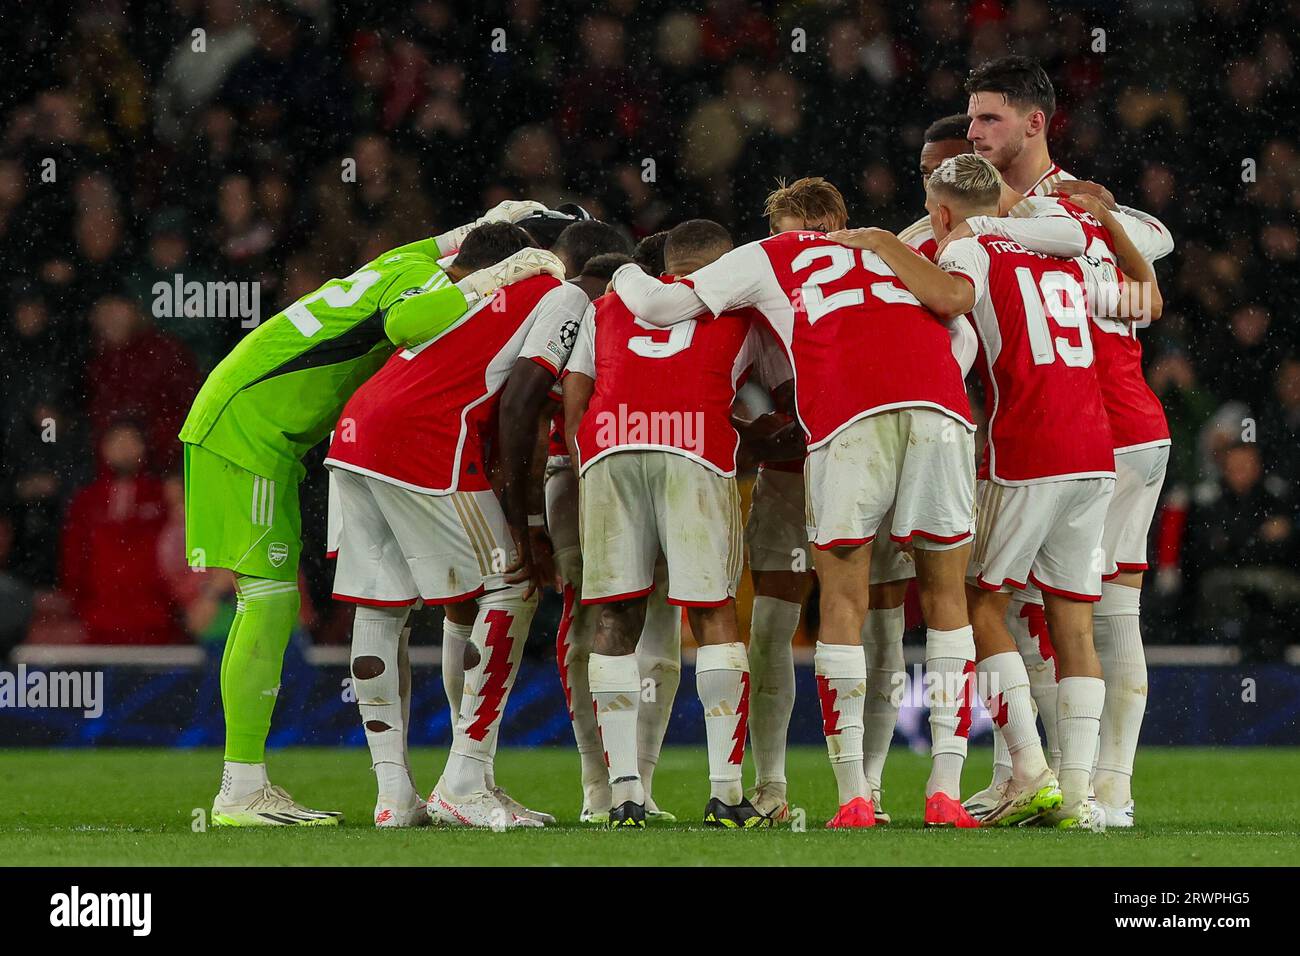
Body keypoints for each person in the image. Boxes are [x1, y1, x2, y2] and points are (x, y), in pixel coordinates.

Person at [610, 179, 980, 829]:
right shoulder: (890, 250)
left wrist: (618, 269)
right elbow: (960, 329)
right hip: (930, 413)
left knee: (849, 607)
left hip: (840, 429)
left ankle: (856, 795)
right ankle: (936, 785)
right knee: (939, 602)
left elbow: (666, 313)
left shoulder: (764, 256)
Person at [179, 199, 561, 827]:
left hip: (252, 423)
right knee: (269, 600)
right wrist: (504, 273)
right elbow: (412, 323)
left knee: (276, 599)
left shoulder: (400, 260)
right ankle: (240, 789)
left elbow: (448, 244)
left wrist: (494, 223)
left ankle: (253, 785)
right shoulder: (421, 280)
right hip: (249, 432)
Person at [843, 153, 1150, 828]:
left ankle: (1030, 765)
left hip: (1031, 444)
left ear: (943, 211)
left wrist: (883, 242)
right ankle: (1079, 797)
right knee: (1073, 620)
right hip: (1095, 446)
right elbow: (1133, 294)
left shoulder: (972, 249)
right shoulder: (1062, 251)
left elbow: (951, 298)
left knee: (982, 603)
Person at [325, 221, 585, 828]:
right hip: (425, 440)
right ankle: (465, 777)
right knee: (512, 585)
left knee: (381, 608)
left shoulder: (453, 288)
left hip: (356, 432)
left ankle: (395, 797)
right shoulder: (559, 293)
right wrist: (526, 524)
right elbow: (523, 395)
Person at [563, 219, 770, 828]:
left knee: (614, 615)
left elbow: (576, 390)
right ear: (721, 264)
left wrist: (588, 463)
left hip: (608, 450)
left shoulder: (606, 307)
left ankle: (624, 795)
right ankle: (726, 794)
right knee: (712, 612)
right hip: (695, 451)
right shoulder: (742, 313)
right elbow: (782, 391)